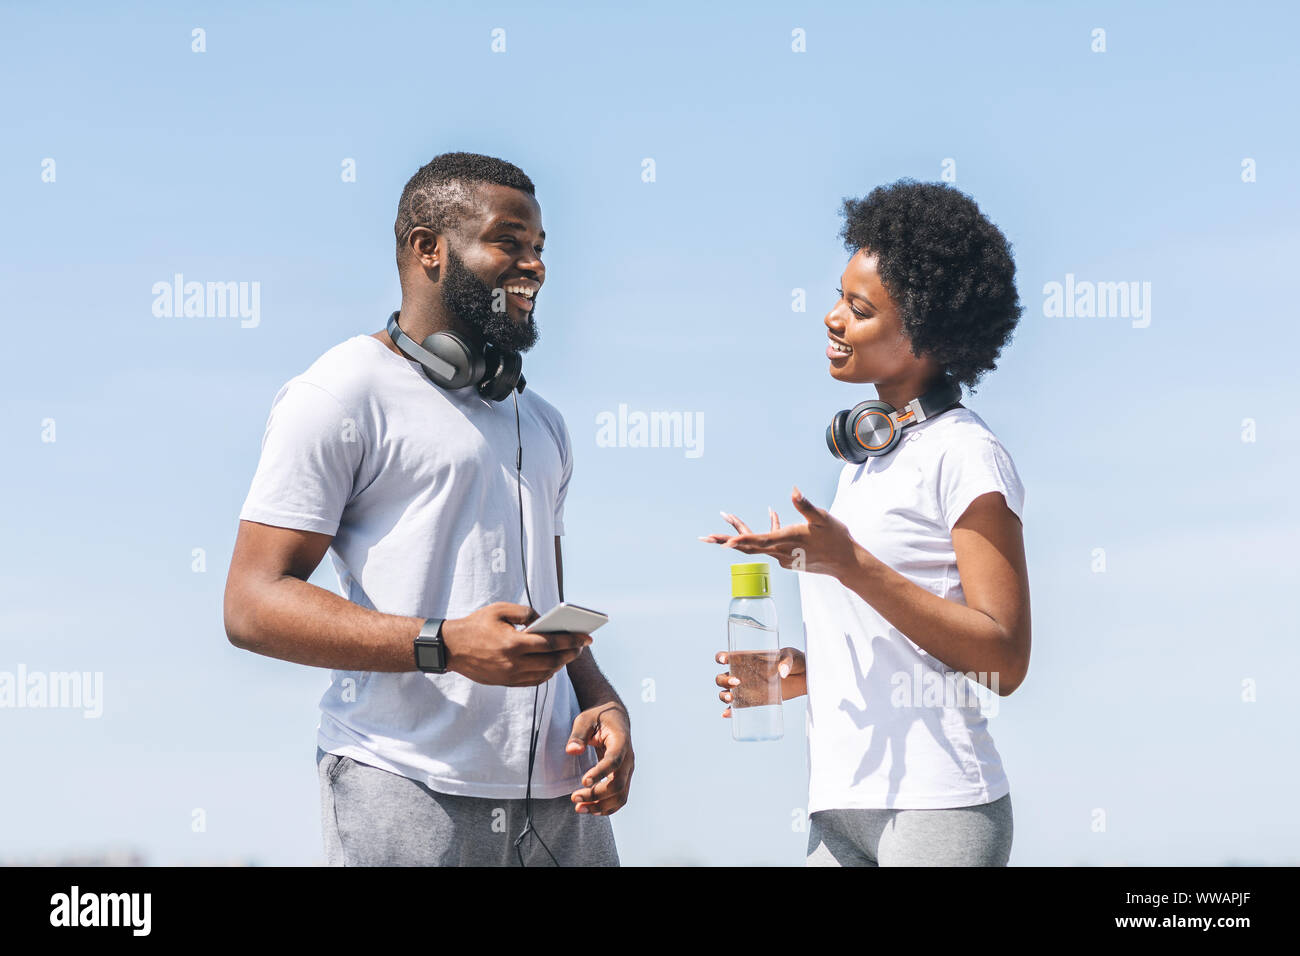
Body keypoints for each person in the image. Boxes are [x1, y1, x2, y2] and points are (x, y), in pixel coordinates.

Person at [224, 152, 631, 866]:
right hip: (404, 787)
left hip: (562, 800)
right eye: (509, 241)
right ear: (428, 248)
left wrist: (600, 699)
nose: (533, 265)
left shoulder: (541, 422)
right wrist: (443, 642)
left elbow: (547, 605)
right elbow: (252, 605)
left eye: (539, 249)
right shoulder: (341, 393)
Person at [701, 179, 1029, 866]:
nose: (831, 318)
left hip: (936, 808)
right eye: (837, 299)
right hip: (840, 803)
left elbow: (1003, 657)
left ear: (926, 336)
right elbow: (901, 643)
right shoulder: (868, 464)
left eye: (859, 308)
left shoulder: (966, 453)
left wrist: (849, 563)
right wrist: (803, 674)